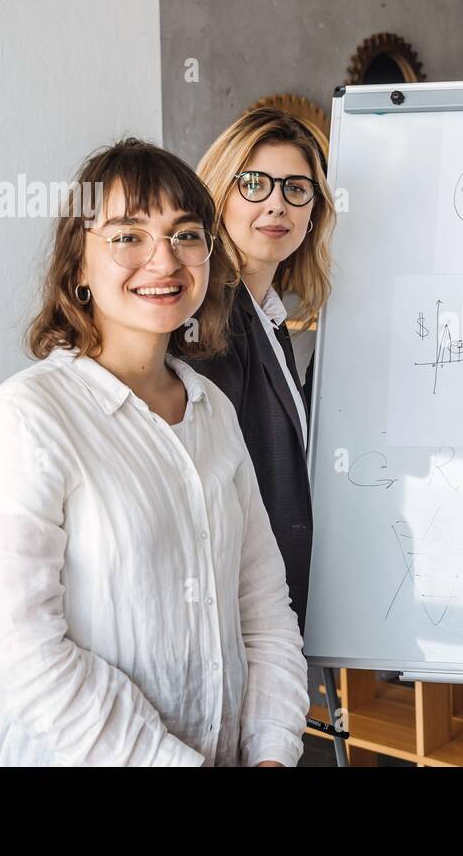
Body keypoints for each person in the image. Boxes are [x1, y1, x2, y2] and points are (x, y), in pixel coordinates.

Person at [0, 138, 309, 766]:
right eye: (128, 236)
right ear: (78, 267)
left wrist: (273, 750)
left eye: (186, 235)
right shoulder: (23, 421)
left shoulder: (213, 413)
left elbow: (263, 610)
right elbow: (12, 653)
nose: (164, 261)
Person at [190, 106, 336, 634]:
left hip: (269, 607)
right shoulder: (209, 312)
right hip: (229, 611)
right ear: (220, 194)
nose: (276, 203)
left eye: (296, 189)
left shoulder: (268, 315)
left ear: (313, 210)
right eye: (254, 184)